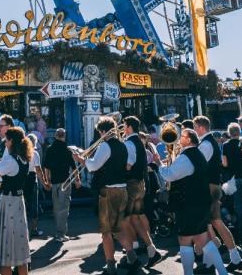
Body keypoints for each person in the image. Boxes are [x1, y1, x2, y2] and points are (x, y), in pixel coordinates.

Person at [161, 127, 230, 275]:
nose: (179, 139)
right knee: (203, 239)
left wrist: (159, 165)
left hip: (189, 204)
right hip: (201, 202)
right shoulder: (197, 154)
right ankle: (223, 272)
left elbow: (169, 175)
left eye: (183, 136)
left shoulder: (186, 157)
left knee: (184, 240)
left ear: (189, 140)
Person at [77, 116, 132, 274]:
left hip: (109, 190)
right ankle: (132, 257)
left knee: (106, 231)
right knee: (119, 228)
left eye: (99, 132)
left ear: (102, 131)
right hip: (122, 189)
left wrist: (80, 159)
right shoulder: (123, 145)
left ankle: (110, 264)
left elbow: (93, 166)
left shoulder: (105, 146)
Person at [194, 115, 242, 266]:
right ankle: (233, 258)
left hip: (209, 187)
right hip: (212, 186)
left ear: (201, 128)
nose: (194, 130)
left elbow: (198, 167)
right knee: (214, 223)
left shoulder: (206, 144)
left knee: (211, 223)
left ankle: (211, 261)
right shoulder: (208, 143)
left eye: (195, 127)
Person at [0, 127, 33, 275]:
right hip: (18, 201)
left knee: (5, 254)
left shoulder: (10, 161)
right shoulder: (24, 159)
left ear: (11, 141)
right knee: (20, 251)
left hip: (8, 203)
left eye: (6, 140)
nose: (5, 142)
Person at [121, 117, 164, 268]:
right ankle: (150, 250)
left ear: (129, 127)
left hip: (132, 184)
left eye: (124, 125)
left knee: (126, 220)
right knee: (135, 218)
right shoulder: (139, 141)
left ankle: (132, 255)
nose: (123, 128)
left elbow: (128, 165)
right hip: (140, 183)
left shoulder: (129, 143)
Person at [221, 123, 242, 247]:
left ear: (229, 133)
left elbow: (225, 163)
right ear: (239, 132)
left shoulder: (225, 145)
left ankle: (241, 235)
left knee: (238, 208)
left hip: (234, 179)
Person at [43, 128, 74, 239]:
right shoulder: (67, 150)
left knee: (56, 208)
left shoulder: (50, 149)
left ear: (55, 136)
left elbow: (46, 167)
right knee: (64, 207)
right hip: (65, 181)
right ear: (64, 136)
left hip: (54, 181)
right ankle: (60, 233)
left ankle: (59, 231)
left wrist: (47, 180)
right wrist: (78, 180)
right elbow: (73, 167)